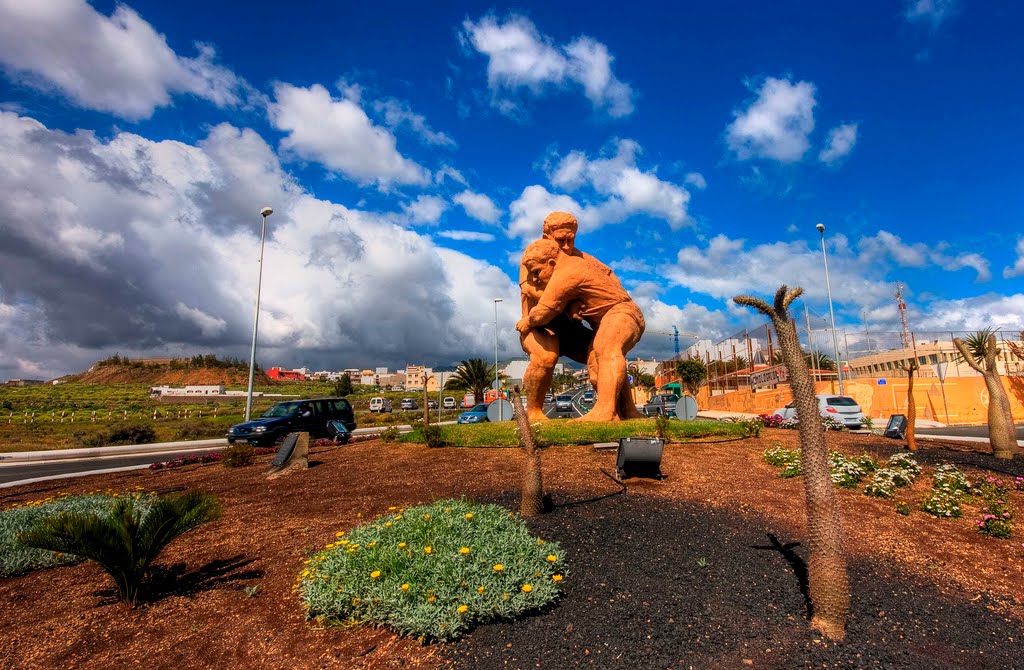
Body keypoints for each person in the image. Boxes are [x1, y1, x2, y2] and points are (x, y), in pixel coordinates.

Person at [517, 237, 645, 422]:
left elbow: (544, 310)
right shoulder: (539, 260)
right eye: (561, 239)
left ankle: (605, 412)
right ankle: (624, 412)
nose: (567, 245)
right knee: (593, 366)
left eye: (571, 238)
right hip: (566, 325)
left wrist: (528, 321)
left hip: (621, 313)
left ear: (552, 262)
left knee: (606, 349)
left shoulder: (568, 269)